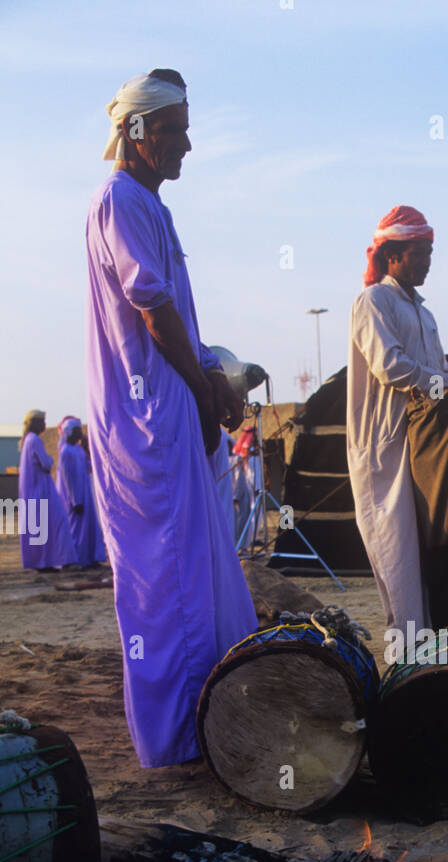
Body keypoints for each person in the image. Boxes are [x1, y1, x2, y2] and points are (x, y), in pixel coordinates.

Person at [84, 70, 257, 768]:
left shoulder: (151, 206)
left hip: (170, 416)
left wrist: (211, 381)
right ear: (137, 132)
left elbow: (173, 318)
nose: (187, 143)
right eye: (175, 129)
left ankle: (208, 726)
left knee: (199, 573)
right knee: (170, 585)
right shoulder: (119, 201)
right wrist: (209, 381)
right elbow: (153, 312)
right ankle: (178, 741)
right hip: (144, 426)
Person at [347, 205, 448, 633]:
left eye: (430, 253)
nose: (427, 262)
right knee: (397, 552)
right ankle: (408, 654)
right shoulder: (373, 300)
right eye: (419, 253)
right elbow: (392, 368)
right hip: (385, 443)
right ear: (392, 255)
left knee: (434, 542)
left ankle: (445, 639)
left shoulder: (425, 315)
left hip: (426, 442)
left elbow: (438, 375)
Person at [17, 409, 76, 572]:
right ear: (34, 423)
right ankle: (48, 561)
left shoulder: (28, 440)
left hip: (35, 489)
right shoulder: (34, 440)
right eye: (42, 422)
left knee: (40, 526)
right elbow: (46, 463)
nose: (44, 425)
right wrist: (50, 459)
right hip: (41, 489)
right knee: (54, 524)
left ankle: (45, 561)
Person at [56, 417, 107, 567]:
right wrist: (75, 501)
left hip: (85, 495)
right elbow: (68, 480)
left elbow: (89, 467)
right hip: (74, 498)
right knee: (76, 530)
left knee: (88, 529)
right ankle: (74, 559)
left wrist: (88, 450)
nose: (80, 433)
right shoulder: (66, 451)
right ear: (69, 432)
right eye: (77, 430)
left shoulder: (77, 450)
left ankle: (89, 559)